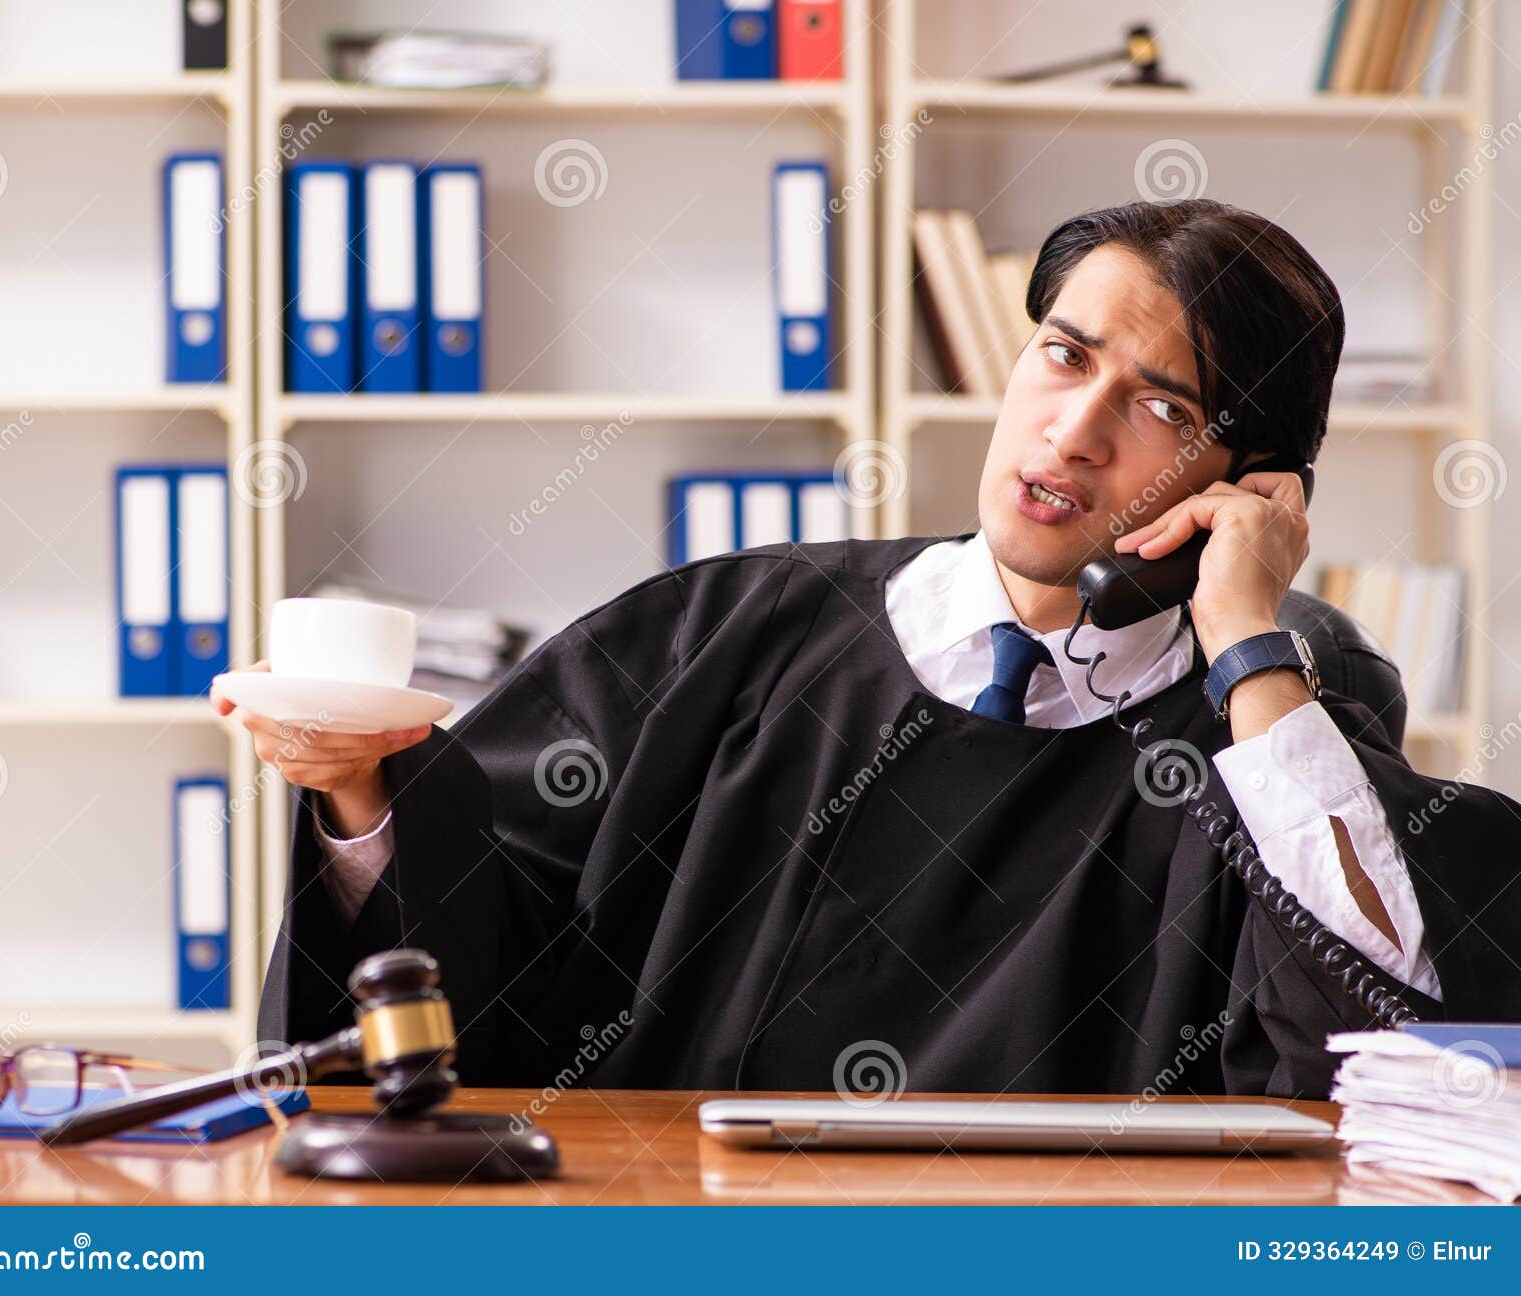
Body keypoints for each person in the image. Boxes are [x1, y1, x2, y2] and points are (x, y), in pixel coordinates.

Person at [217, 199, 1521, 1101]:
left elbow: (1389, 1040)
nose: (1071, 431)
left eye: (1161, 406)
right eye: (1062, 356)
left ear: (1257, 482)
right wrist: (355, 797)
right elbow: (482, 944)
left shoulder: (1271, 739)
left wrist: (1247, 633)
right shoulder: (726, 630)